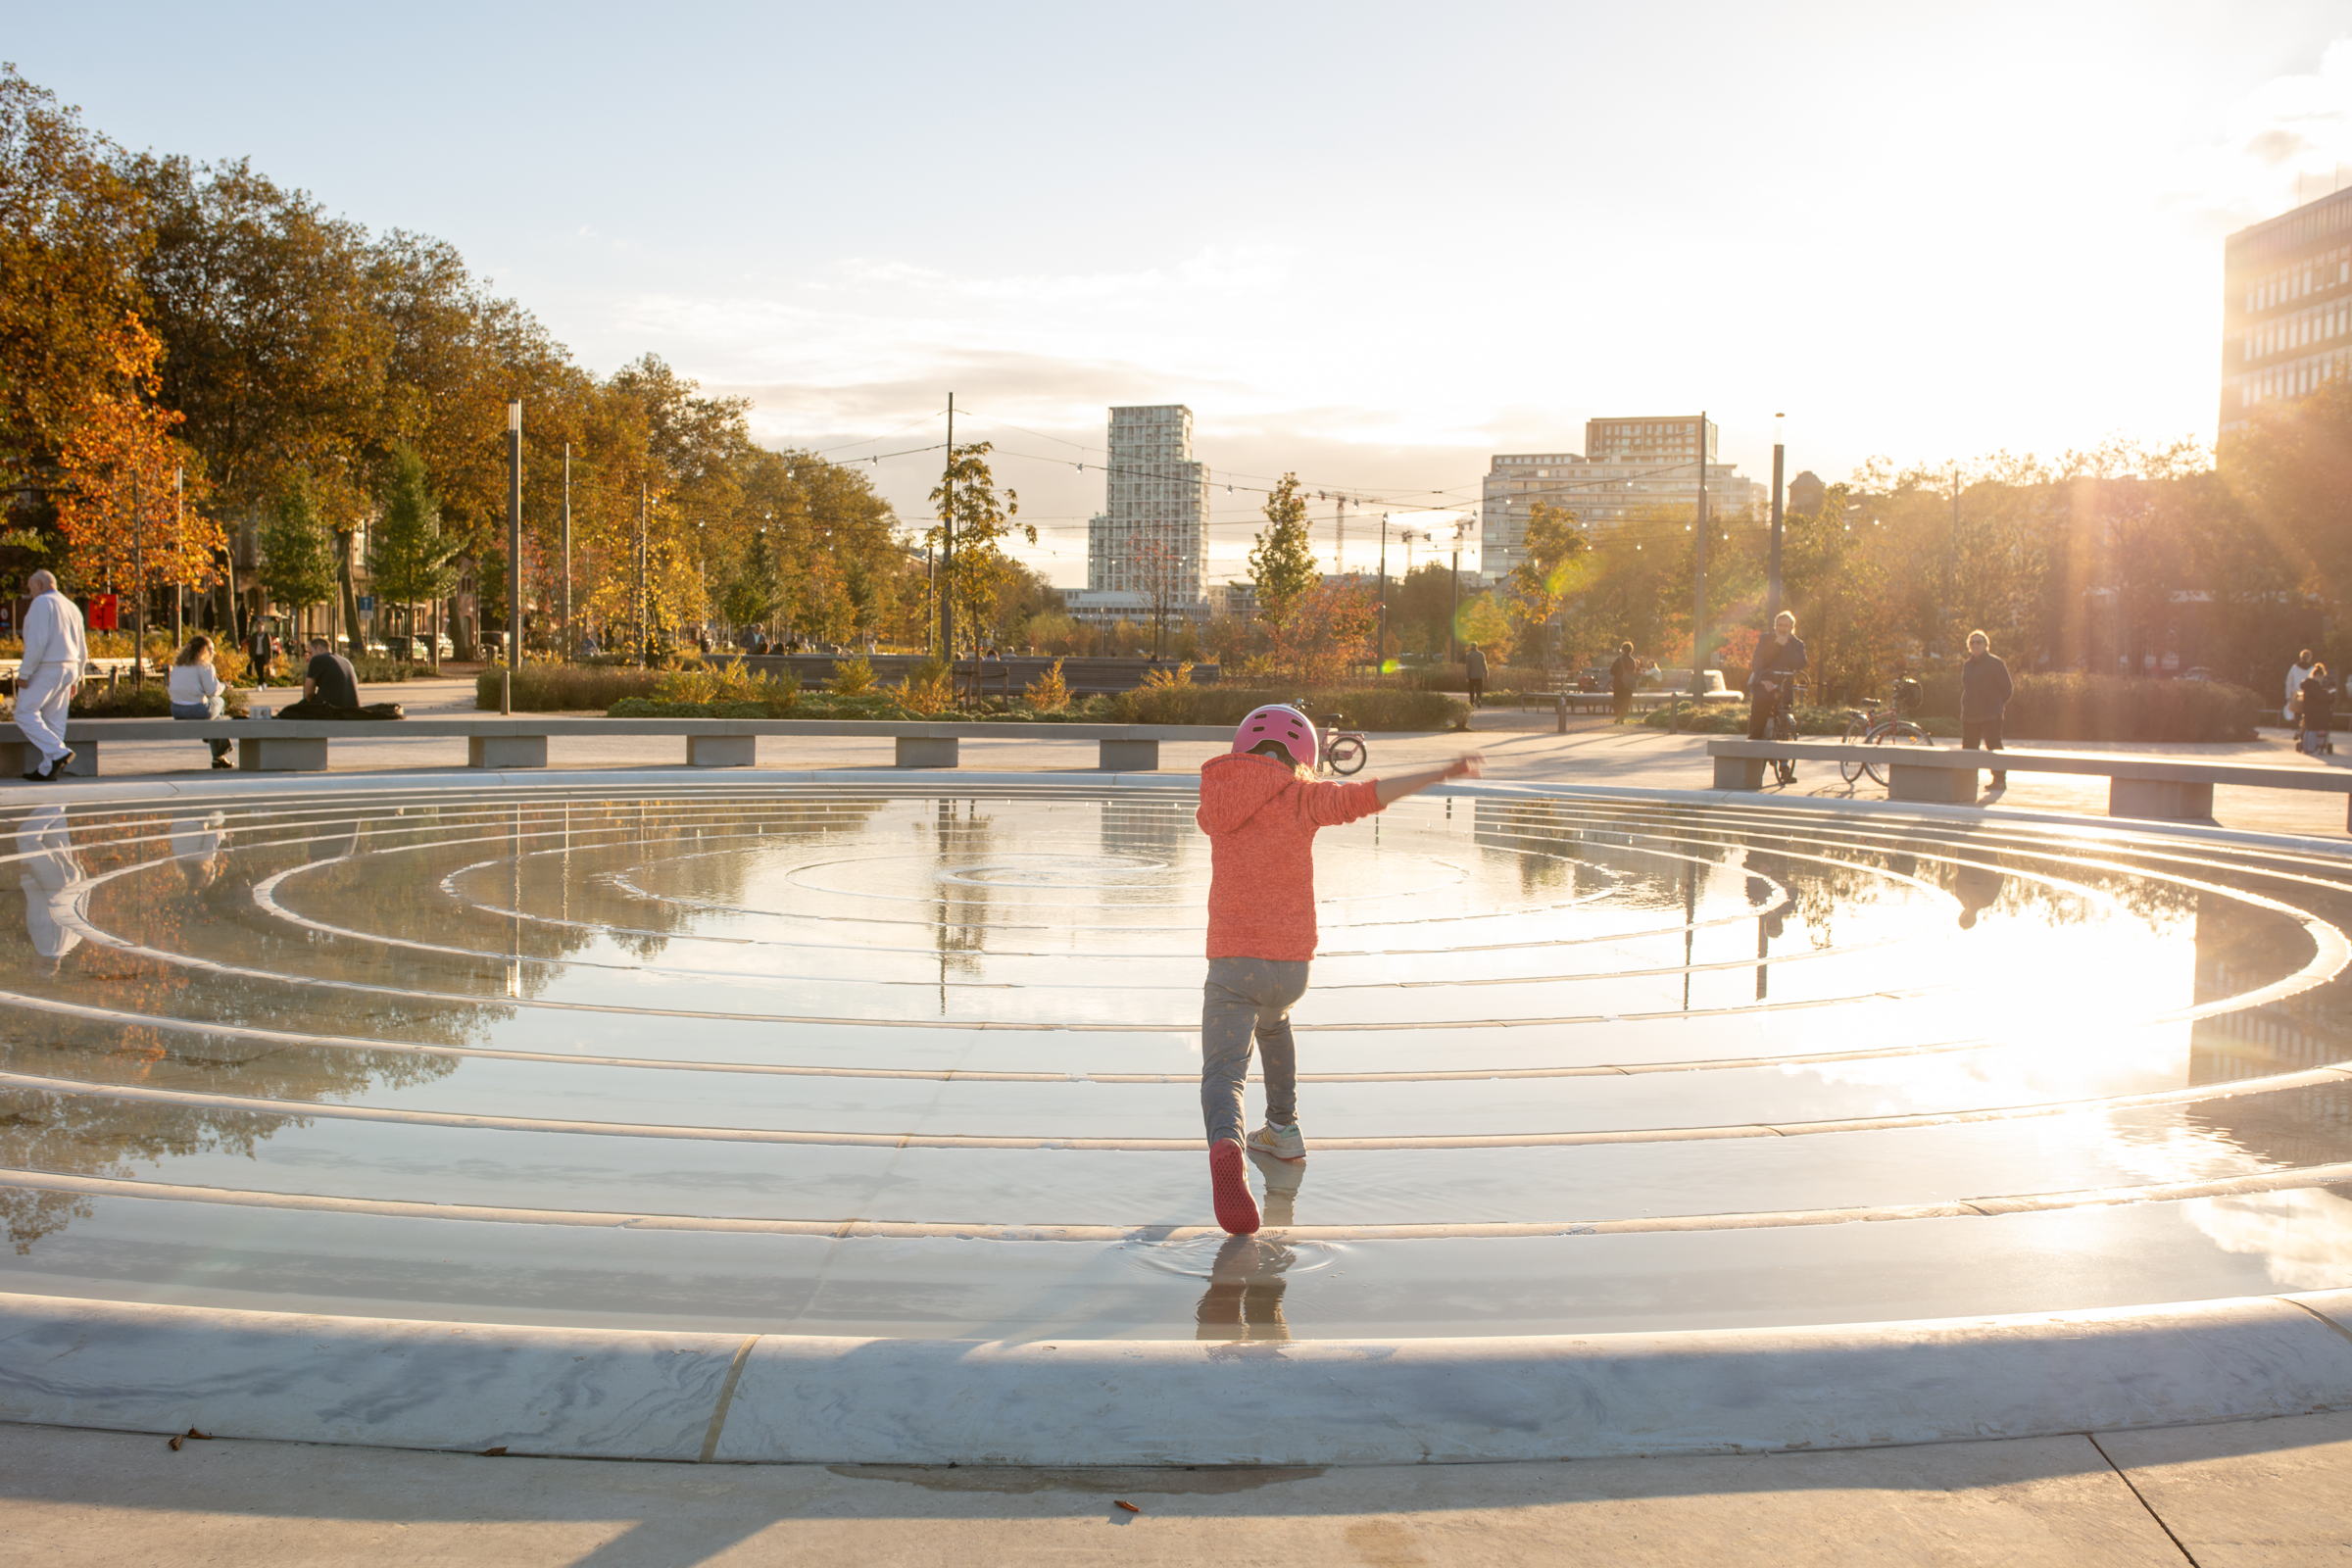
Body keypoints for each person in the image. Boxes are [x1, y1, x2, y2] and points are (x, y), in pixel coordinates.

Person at [1195, 704, 1482, 1235]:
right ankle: (1282, 1129)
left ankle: (1227, 1146)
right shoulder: (1304, 798)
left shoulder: (1216, 797)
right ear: (1305, 755)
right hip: (1290, 967)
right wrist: (1440, 771)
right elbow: (1368, 795)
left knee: (1224, 1073)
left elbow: (1233, 807)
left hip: (1233, 962)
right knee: (1275, 1022)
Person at [15, 569, 87, 782]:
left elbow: (37, 642)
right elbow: (82, 647)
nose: (31, 593)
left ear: (39, 585)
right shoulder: (71, 606)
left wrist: (25, 673)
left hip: (47, 667)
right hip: (69, 666)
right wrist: (77, 676)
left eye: (30, 588)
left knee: (24, 713)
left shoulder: (41, 603)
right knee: (55, 720)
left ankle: (58, 753)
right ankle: (48, 768)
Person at [169, 634, 234, 769]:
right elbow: (212, 691)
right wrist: (225, 686)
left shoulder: (179, 666)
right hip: (196, 710)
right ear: (204, 651)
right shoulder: (205, 666)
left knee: (216, 717)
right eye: (211, 649)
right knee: (220, 701)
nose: (213, 652)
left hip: (176, 710)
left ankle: (218, 757)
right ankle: (211, 740)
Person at [1960, 629, 2013, 789]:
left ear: (1986, 645)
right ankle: (1968, 780)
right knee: (1969, 748)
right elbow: (1966, 687)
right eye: (1972, 642)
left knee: (1994, 746)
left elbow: (2007, 688)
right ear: (1969, 646)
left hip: (1991, 713)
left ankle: (1999, 780)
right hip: (1970, 713)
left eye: (1979, 642)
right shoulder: (1967, 665)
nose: (1975, 645)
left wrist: (1997, 704)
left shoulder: (1996, 663)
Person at [1746, 611, 1806, 743]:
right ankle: (1754, 743)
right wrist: (1776, 646)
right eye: (1780, 625)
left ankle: (1784, 748)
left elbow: (1800, 664)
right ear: (1775, 626)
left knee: (1786, 712)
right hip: (1765, 682)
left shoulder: (1797, 644)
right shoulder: (1766, 639)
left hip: (1785, 684)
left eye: (1786, 626)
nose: (1783, 628)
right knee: (1760, 712)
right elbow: (1759, 661)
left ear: (1792, 628)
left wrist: (1787, 646)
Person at [302, 636, 360, 711]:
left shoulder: (317, 659)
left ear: (319, 648)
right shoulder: (346, 661)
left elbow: (308, 694)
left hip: (330, 709)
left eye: (310, 652)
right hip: (353, 708)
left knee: (290, 710)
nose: (308, 657)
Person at [2300, 662, 2337, 755]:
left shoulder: (2309, 685)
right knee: (2314, 730)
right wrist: (2331, 693)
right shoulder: (2313, 685)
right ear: (2317, 675)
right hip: (2316, 713)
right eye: (2322, 677)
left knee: (2309, 729)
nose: (2322, 679)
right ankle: (2312, 748)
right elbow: (2321, 697)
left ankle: (2309, 748)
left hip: (2311, 712)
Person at [1609, 641, 1640, 722]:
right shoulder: (1633, 661)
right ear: (1631, 650)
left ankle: (1618, 716)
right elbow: (1633, 672)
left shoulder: (1619, 660)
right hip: (1629, 684)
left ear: (1622, 649)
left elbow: (1612, 671)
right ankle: (1622, 717)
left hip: (1619, 683)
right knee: (1626, 700)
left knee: (1618, 700)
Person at [2287, 648, 2317, 727]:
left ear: (2300, 657)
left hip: (2296, 694)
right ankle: (2304, 730)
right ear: (2310, 658)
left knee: (2297, 713)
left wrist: (2288, 696)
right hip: (2308, 695)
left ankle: (2298, 729)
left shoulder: (2294, 668)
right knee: (2307, 714)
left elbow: (2289, 682)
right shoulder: (2312, 669)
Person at [1464, 643, 1488, 708]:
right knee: (1479, 690)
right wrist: (1486, 673)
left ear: (1471, 646)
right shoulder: (1481, 654)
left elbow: (1468, 667)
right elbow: (1484, 664)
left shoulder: (1468, 655)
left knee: (1471, 690)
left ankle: (1471, 702)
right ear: (1477, 646)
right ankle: (1478, 699)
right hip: (1480, 675)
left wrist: (1467, 676)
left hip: (1471, 676)